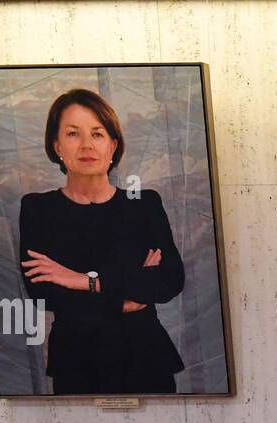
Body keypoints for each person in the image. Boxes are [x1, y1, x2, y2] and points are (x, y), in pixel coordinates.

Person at [20, 88, 186, 395]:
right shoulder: (37, 209)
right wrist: (131, 294)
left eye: (97, 134)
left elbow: (169, 280)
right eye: (73, 134)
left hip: (146, 359)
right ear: (56, 145)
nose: (86, 145)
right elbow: (45, 294)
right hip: (77, 361)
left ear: (113, 145)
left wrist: (83, 281)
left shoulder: (143, 205)